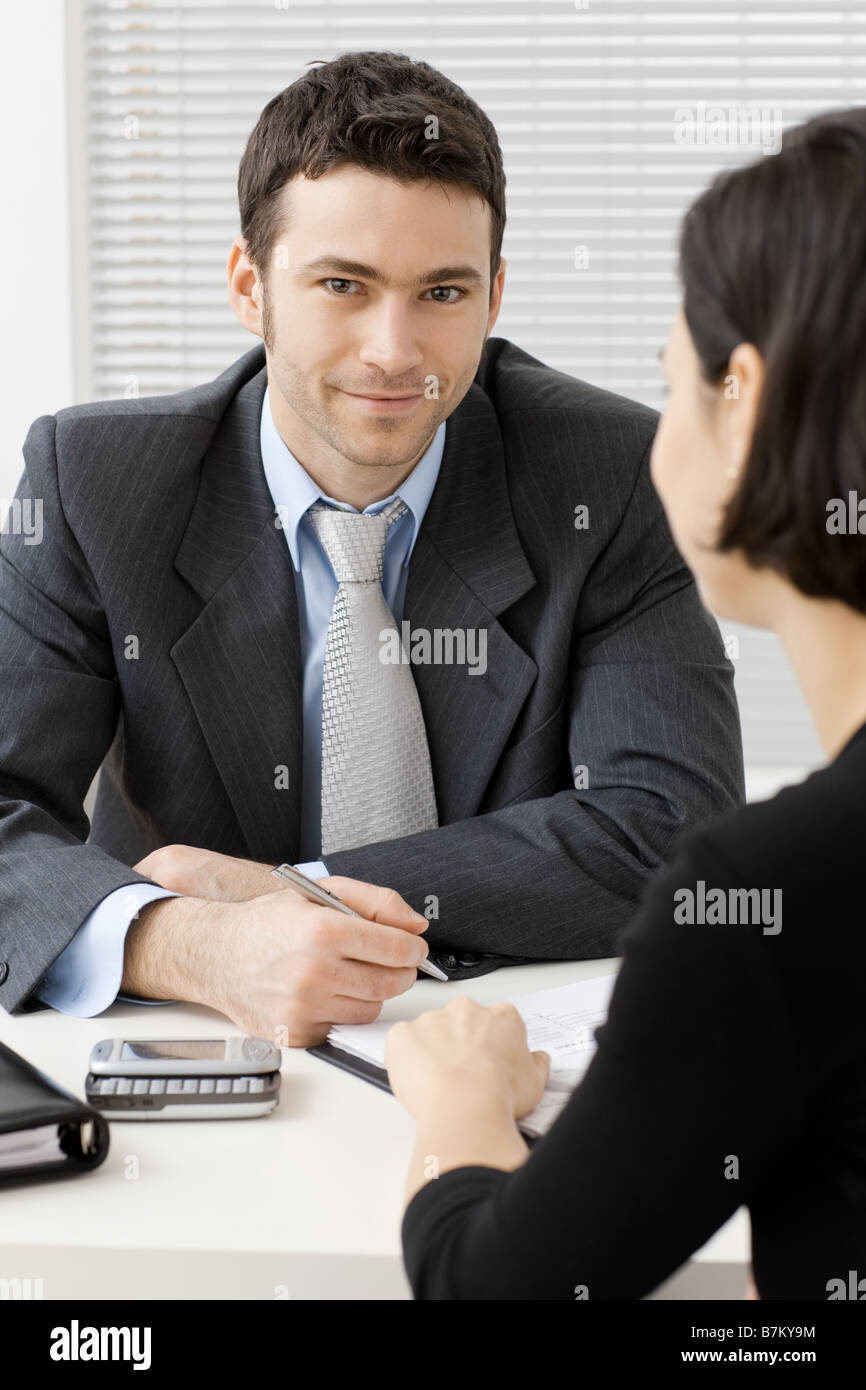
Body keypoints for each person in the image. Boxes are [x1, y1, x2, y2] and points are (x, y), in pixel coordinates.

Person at [0, 51, 742, 1042]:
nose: (394, 350)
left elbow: (672, 828)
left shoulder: (603, 476)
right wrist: (186, 943)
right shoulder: (94, 483)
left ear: (493, 294)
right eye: (342, 284)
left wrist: (288, 893)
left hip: (482, 1032)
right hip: (197, 1049)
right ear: (248, 284)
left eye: (441, 292)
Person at [387, 106, 866, 1299]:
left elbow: (495, 1292)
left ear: (741, 400)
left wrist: (455, 1105)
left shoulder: (774, 902)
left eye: (669, 385)